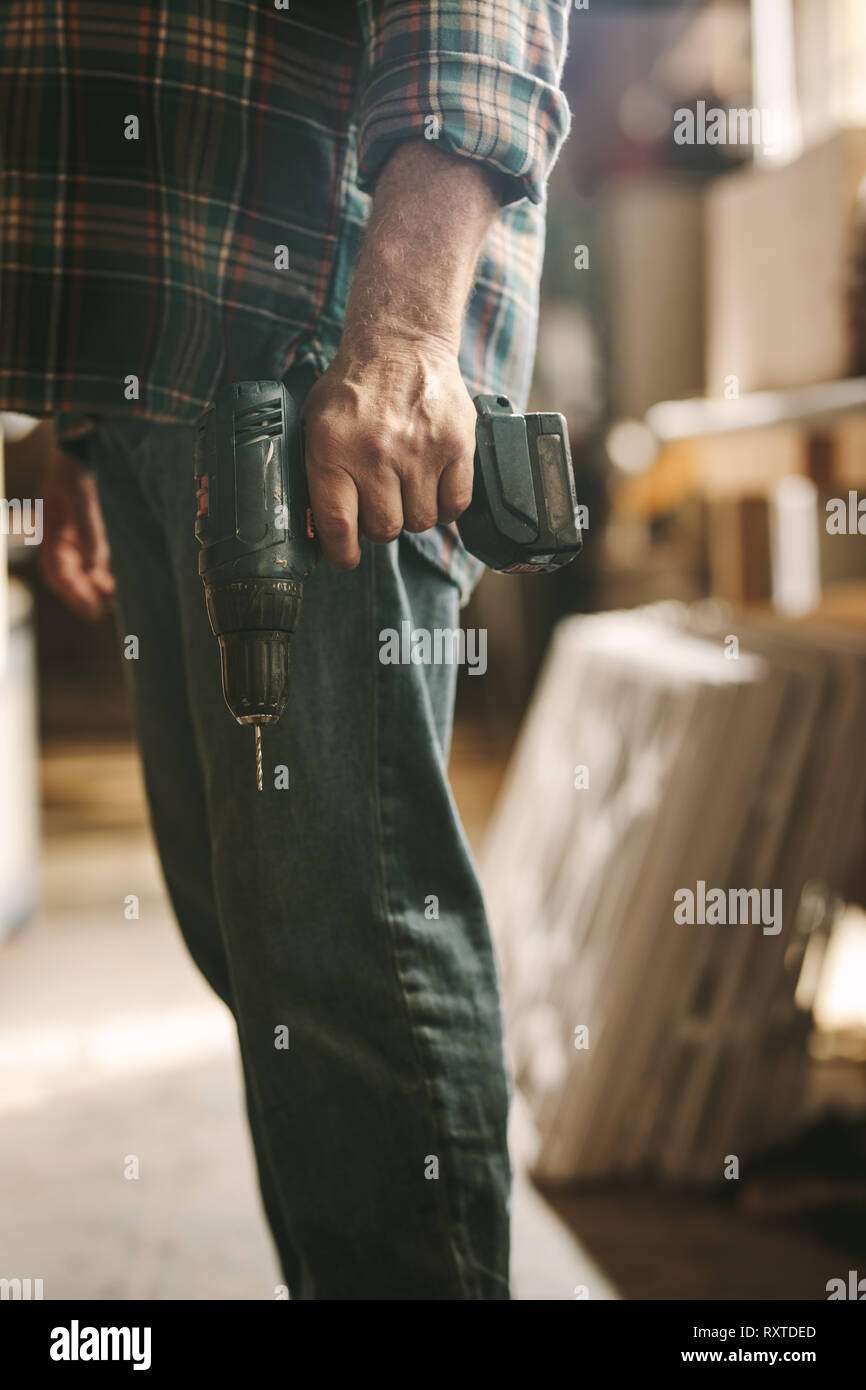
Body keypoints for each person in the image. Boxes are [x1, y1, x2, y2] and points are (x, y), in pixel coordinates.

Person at [0, 2, 571, 1299]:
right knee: (261, 950)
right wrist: (84, 403)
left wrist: (409, 327)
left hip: (307, 341)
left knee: (340, 958)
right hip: (158, 356)